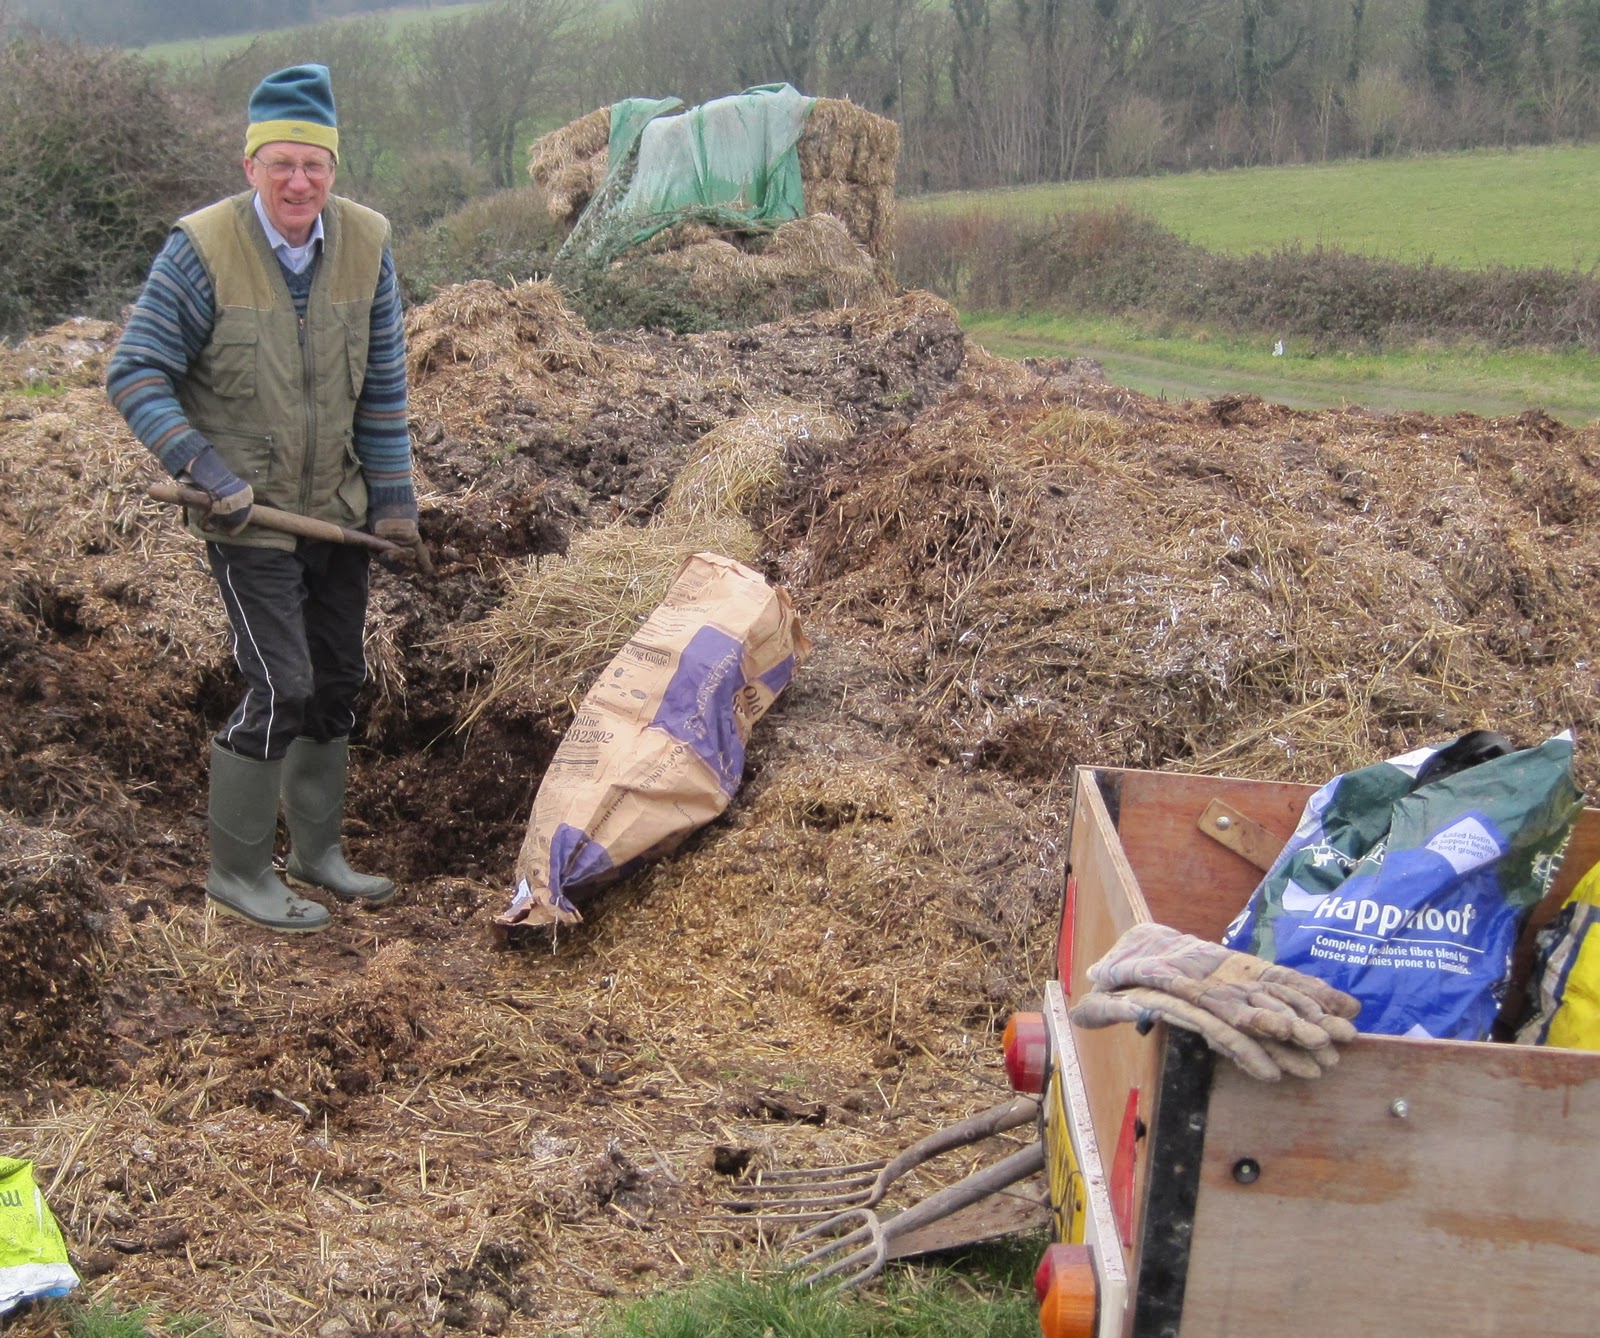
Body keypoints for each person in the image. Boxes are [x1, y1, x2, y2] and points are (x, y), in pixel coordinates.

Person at [107, 63, 416, 934]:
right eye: (280, 163)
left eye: (314, 165)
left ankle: (317, 855)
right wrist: (204, 469)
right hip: (249, 516)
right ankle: (236, 870)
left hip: (338, 513)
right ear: (251, 167)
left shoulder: (366, 241)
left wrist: (394, 503)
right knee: (281, 682)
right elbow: (134, 371)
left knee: (337, 683)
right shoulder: (202, 250)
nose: (298, 182)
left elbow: (383, 386)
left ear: (333, 169)